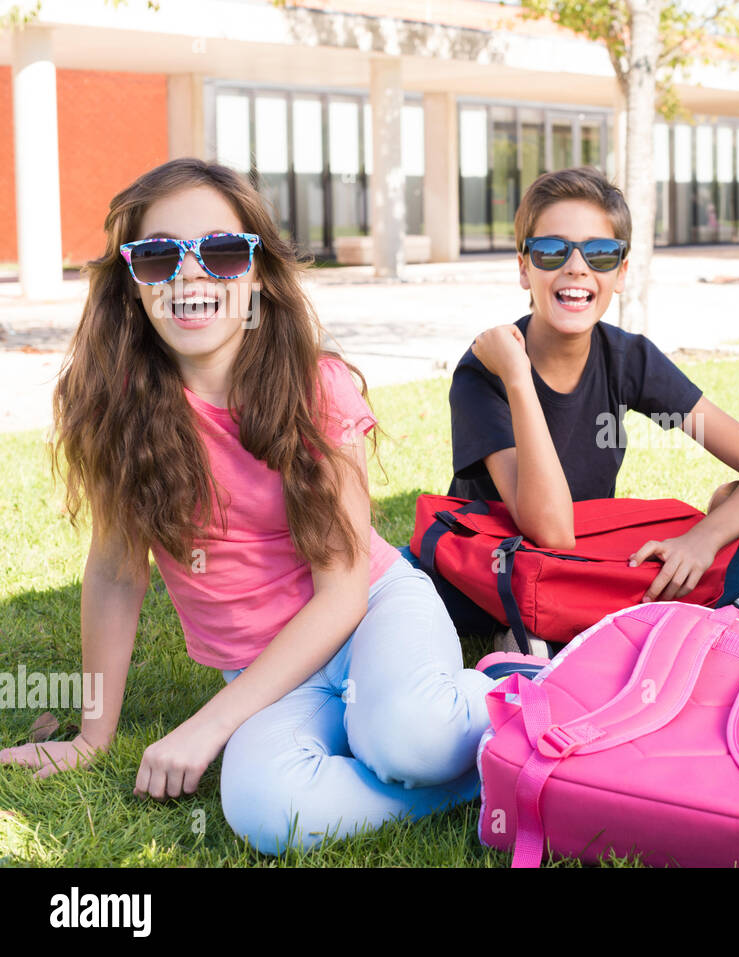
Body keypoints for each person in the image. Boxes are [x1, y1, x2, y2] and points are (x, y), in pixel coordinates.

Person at [0, 158, 494, 854]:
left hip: (372, 611)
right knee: (266, 806)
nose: (190, 276)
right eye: (159, 255)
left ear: (257, 274)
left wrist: (207, 726)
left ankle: (501, 698)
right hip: (266, 669)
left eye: (223, 253)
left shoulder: (313, 388)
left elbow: (345, 587)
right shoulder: (118, 410)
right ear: (132, 279)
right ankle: (470, 771)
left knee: (412, 737)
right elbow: (116, 574)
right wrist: (92, 734)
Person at [444, 166, 739, 614]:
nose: (575, 268)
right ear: (525, 268)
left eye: (600, 254)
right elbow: (549, 530)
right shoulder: (486, 369)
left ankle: (594, 613)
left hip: (599, 557)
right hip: (509, 559)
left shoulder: (627, 357)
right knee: (428, 576)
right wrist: (516, 378)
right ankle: (642, 608)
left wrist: (702, 542)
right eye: (551, 251)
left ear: (621, 273)